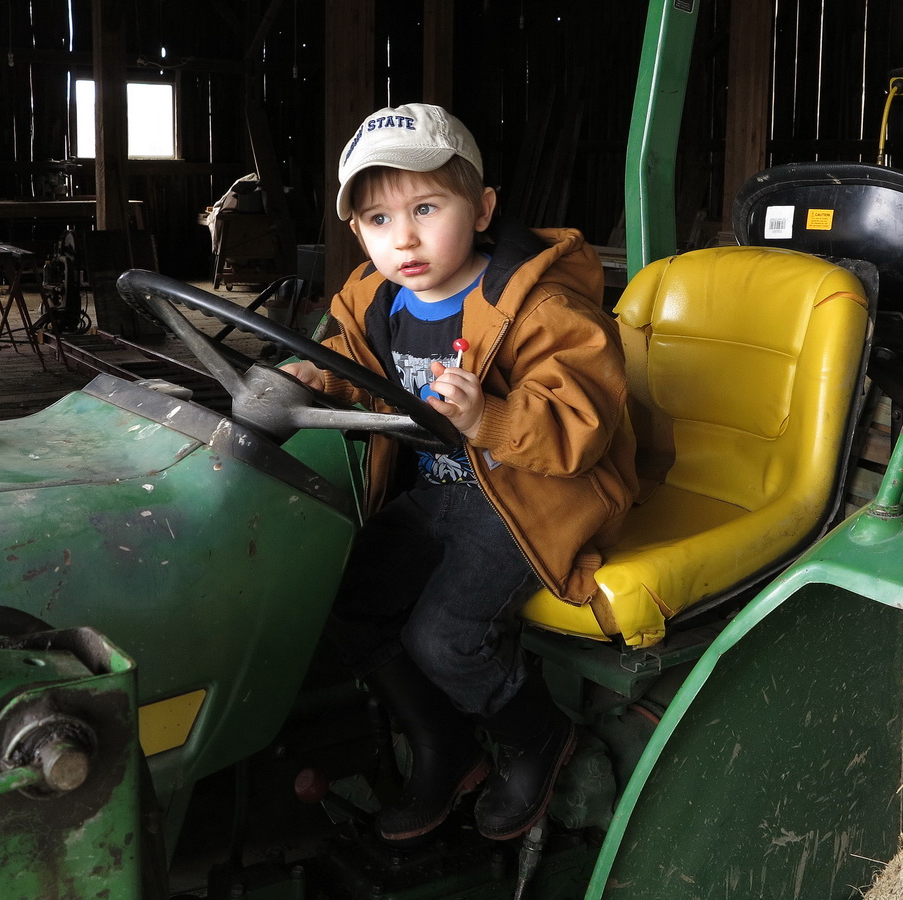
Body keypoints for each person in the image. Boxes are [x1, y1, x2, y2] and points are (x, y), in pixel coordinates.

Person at [283, 103, 637, 844]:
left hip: (529, 499)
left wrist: (489, 420)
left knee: (444, 637)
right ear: (358, 231)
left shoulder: (541, 305)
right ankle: (443, 744)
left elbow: (582, 424)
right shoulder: (376, 299)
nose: (403, 238)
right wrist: (316, 377)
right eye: (378, 219)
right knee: (345, 599)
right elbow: (354, 362)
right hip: (437, 494)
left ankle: (538, 735)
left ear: (481, 210)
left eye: (426, 208)